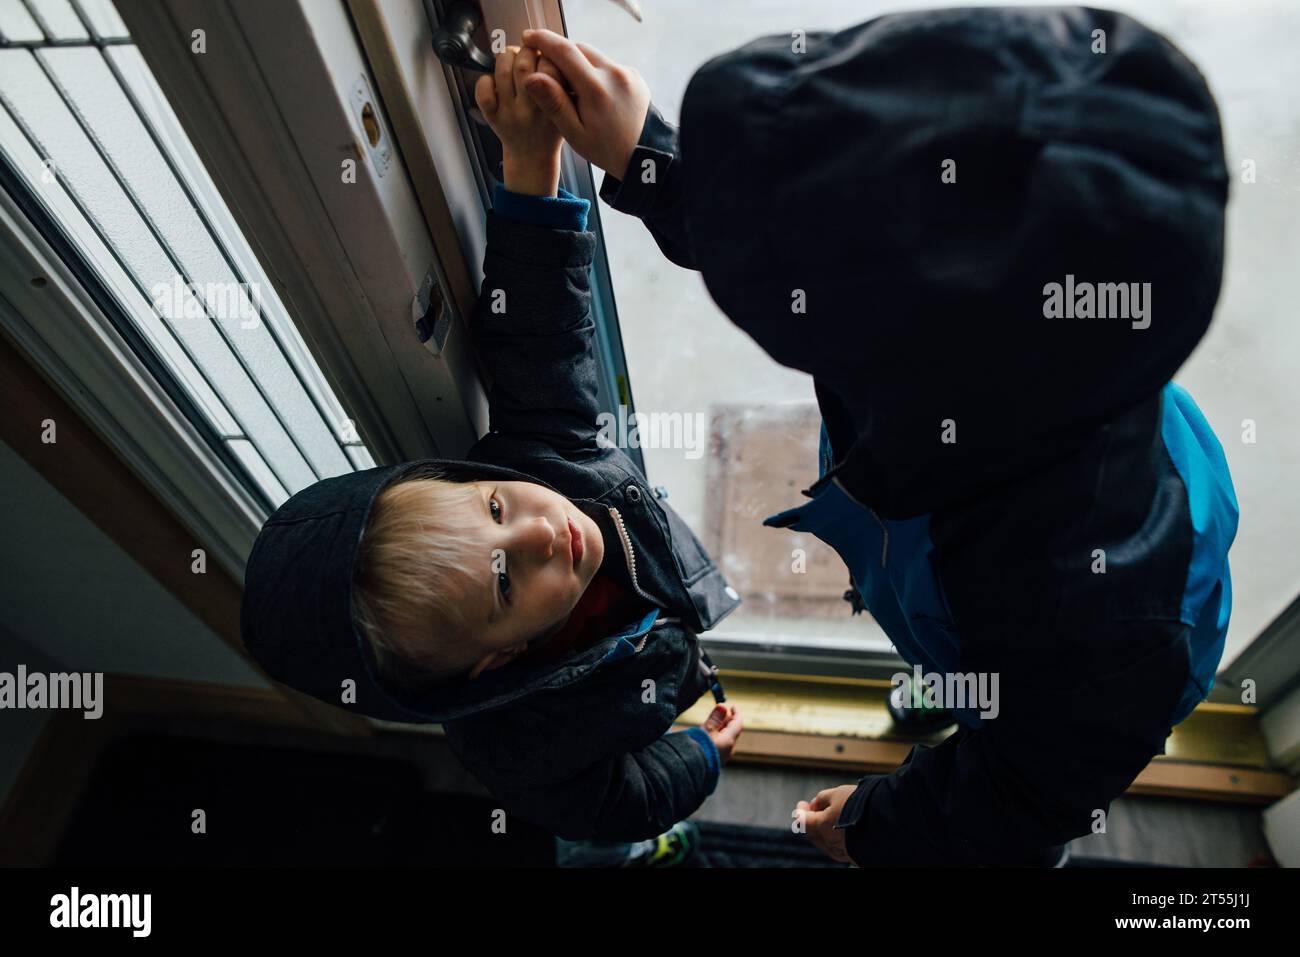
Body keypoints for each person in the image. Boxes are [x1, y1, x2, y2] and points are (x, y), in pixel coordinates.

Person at [519, 6, 1238, 866]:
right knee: (964, 670)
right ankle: (947, 690)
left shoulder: (1094, 619)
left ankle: (961, 701)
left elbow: (1033, 793)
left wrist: (880, 826)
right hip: (968, 554)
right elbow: (850, 218)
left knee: (1001, 737)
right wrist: (654, 160)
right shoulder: (1006, 352)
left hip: (1066, 679)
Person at [239, 44, 742, 865]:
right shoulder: (520, 748)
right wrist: (700, 758)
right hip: (622, 749)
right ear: (494, 663)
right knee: (602, 846)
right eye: (504, 583)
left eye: (496, 509)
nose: (541, 532)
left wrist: (529, 159)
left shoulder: (543, 462)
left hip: (662, 660)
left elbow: (539, 335)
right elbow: (620, 796)